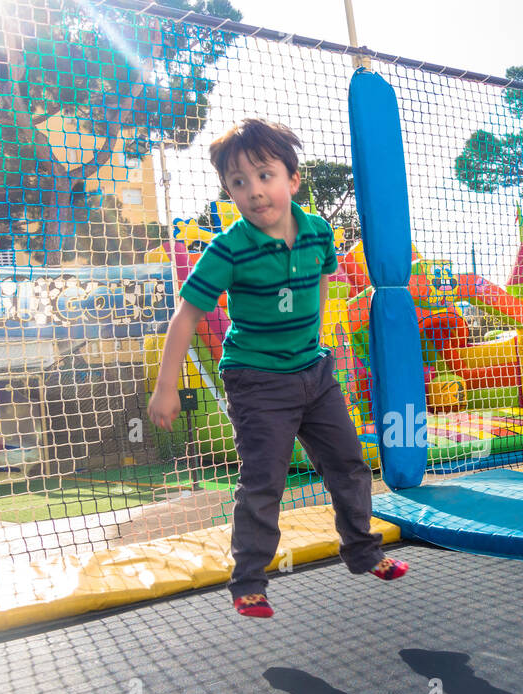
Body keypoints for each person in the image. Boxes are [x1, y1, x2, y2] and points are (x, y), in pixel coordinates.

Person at [148, 118, 407, 618]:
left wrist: (319, 340)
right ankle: (249, 580)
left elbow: (323, 281)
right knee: (264, 479)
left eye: (264, 176)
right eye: (239, 183)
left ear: (293, 179)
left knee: (350, 463)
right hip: (257, 378)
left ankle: (361, 549)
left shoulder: (318, 233)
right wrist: (166, 388)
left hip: (314, 371)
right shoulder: (228, 249)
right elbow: (186, 316)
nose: (254, 192)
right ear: (228, 192)